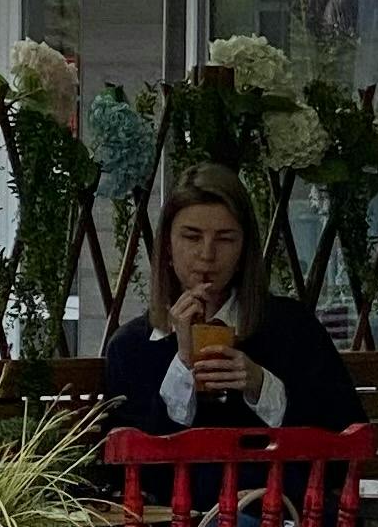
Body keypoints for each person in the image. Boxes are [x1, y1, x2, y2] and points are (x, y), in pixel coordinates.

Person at [103, 164, 362, 441]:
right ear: (167, 246)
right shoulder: (131, 347)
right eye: (192, 237)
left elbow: (346, 434)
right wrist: (183, 364)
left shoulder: (292, 328)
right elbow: (126, 456)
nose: (207, 254)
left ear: (243, 250)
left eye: (225, 239)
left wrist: (261, 386)